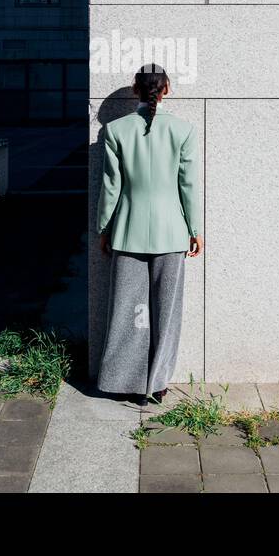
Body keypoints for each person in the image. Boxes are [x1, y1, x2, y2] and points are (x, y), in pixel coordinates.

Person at [95, 63, 203, 402]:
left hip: (127, 231)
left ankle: (125, 383)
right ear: (166, 88)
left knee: (127, 310)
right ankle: (157, 385)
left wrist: (103, 228)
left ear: (135, 90)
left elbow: (111, 188)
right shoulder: (183, 130)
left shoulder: (116, 131)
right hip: (172, 233)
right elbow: (188, 186)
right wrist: (195, 230)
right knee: (166, 312)